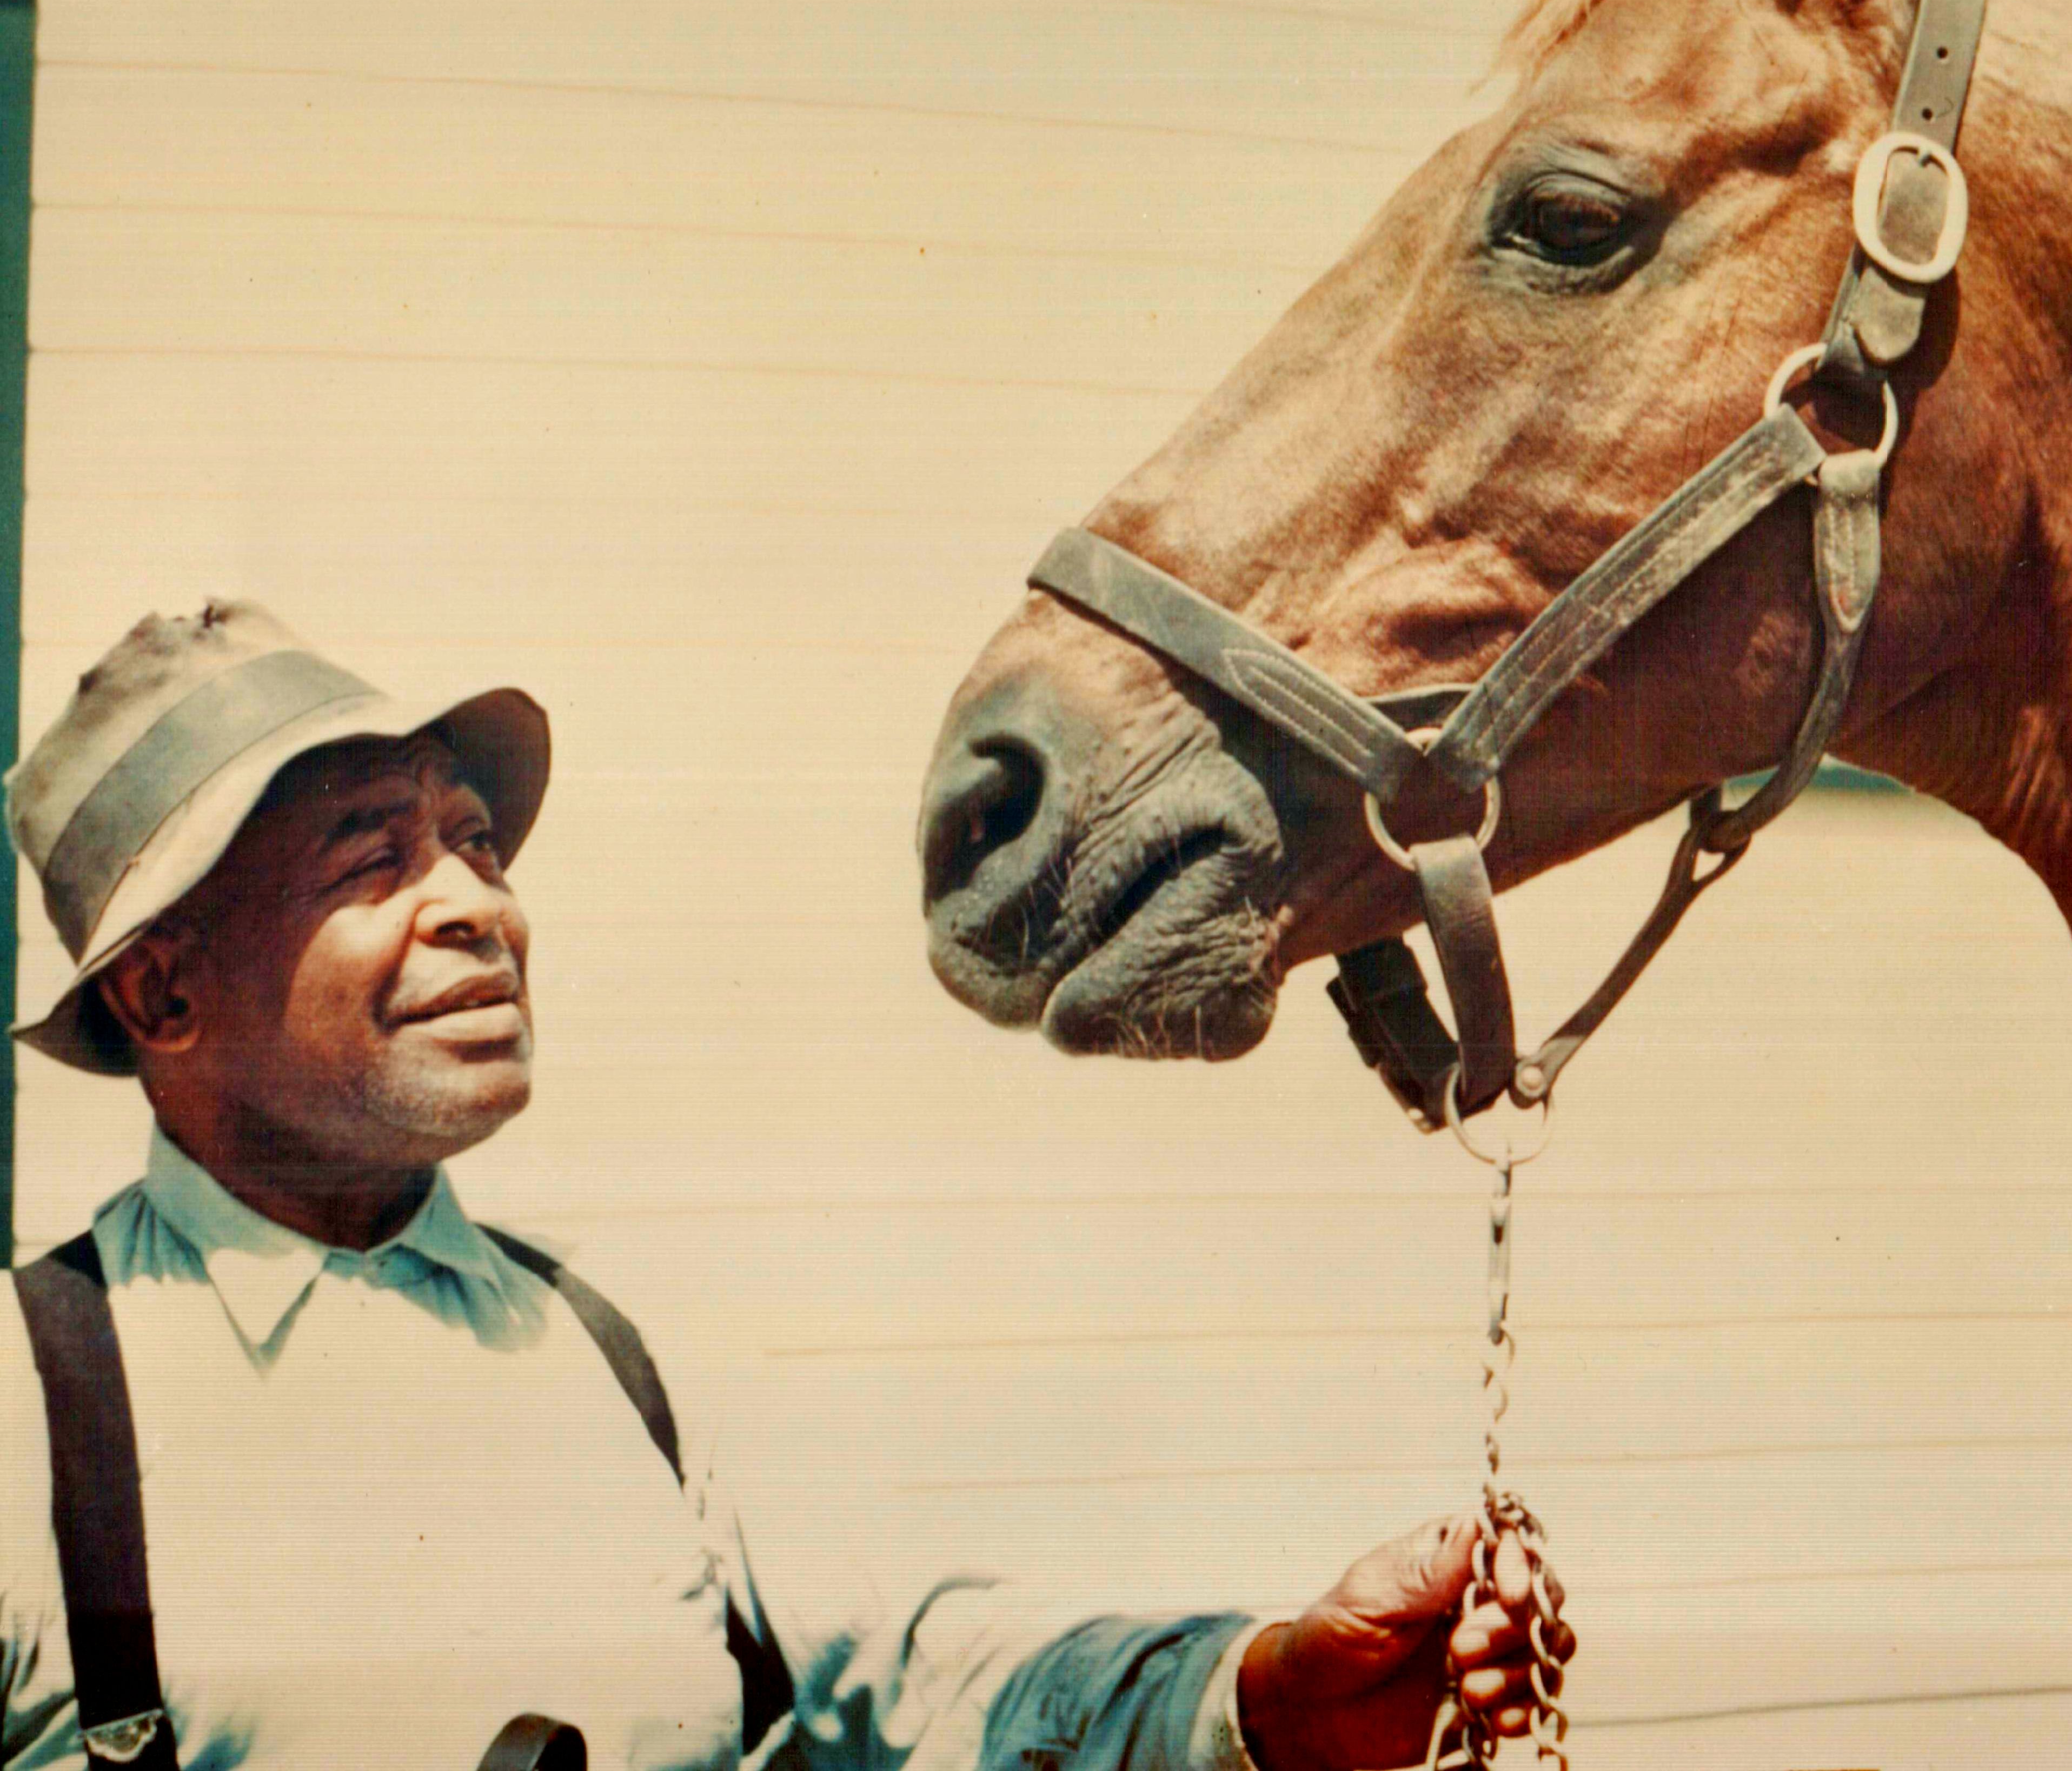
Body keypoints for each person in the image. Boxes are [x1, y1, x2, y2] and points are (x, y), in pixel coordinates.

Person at [0, 601, 1543, 1768]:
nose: (478, 908)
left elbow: (945, 1672)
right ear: (157, 998)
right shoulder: (28, 1401)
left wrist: (1263, 1693)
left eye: (474, 842)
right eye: (366, 864)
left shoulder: (628, 1351)